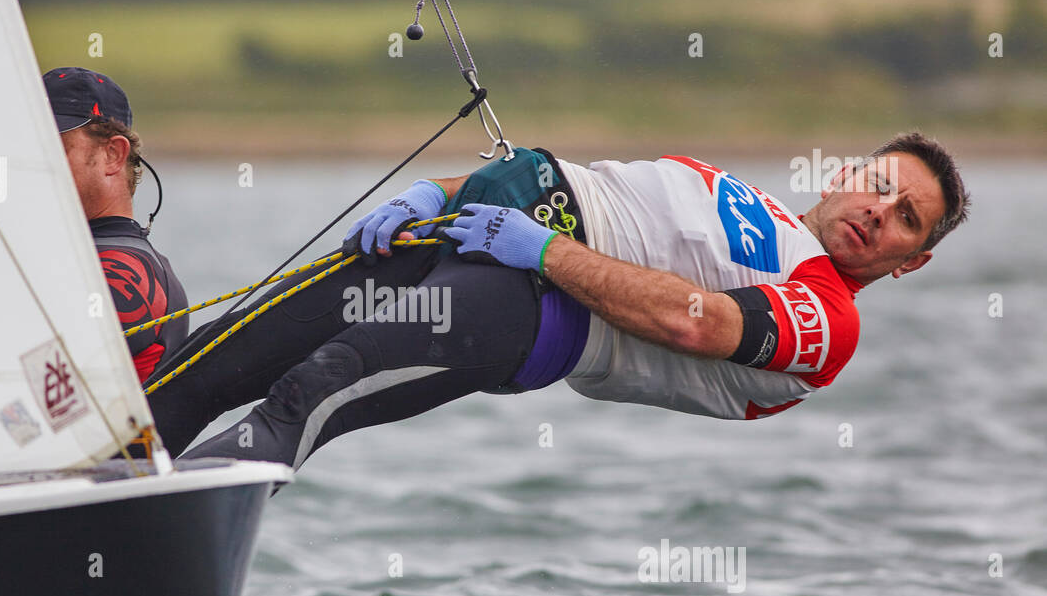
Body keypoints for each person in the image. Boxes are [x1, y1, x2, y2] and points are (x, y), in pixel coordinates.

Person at [146, 133, 967, 475]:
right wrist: (436, 191)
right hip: (470, 226)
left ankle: (158, 548)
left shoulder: (831, 318)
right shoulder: (749, 198)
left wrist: (540, 250)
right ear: (844, 175)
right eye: (878, 186)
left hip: (526, 309)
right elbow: (589, 185)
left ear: (912, 261)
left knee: (311, 389)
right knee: (209, 362)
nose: (876, 213)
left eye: (904, 219)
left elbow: (696, 320)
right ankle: (69, 502)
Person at [43, 67, 189, 387]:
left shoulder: (123, 268)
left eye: (53, 149)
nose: (34, 163)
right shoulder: (66, 255)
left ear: (113, 155)